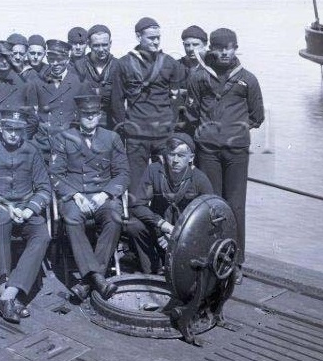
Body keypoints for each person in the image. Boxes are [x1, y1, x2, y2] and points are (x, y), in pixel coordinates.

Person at [185, 28, 264, 275]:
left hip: (237, 151)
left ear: (236, 48)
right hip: (207, 150)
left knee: (236, 205)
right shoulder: (198, 77)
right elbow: (192, 112)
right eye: (219, 48)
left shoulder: (248, 79)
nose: (224, 53)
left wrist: (234, 131)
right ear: (211, 50)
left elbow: (257, 116)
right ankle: (212, 255)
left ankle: (236, 260)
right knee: (212, 204)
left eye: (229, 47)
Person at [0, 108, 52, 323]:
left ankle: (7, 296)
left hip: (26, 208)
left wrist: (29, 209)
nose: (13, 134)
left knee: (42, 235)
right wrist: (3, 207)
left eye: (18, 130)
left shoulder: (32, 151)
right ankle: (5, 287)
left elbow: (45, 188)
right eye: (9, 129)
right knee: (2, 218)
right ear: (0, 128)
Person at [51, 95, 129, 300]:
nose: (90, 118)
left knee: (114, 217)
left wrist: (105, 194)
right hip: (76, 196)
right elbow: (56, 174)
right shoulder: (64, 138)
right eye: (86, 114)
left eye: (94, 114)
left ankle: (88, 280)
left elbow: (123, 173)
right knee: (72, 218)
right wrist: (75, 195)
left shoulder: (112, 138)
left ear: (100, 115)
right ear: (78, 115)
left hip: (103, 195)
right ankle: (98, 278)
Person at [111, 17, 186, 191]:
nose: (156, 41)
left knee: (166, 182)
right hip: (136, 135)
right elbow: (117, 100)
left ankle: (162, 217)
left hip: (163, 135)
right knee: (137, 183)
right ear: (138, 37)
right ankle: (137, 216)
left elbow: (176, 100)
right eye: (151, 38)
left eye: (158, 37)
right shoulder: (123, 64)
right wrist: (125, 126)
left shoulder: (169, 63)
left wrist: (170, 123)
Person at [127, 133, 213, 275]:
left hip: (187, 235)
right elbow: (137, 205)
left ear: (191, 158)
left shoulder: (200, 180)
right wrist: (163, 225)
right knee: (134, 225)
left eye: (181, 156)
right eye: (171, 155)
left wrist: (177, 233)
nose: (175, 160)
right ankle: (152, 270)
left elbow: (208, 218)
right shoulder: (154, 171)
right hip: (159, 229)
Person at [31, 39, 86, 161]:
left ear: (67, 59)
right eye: (51, 60)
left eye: (59, 60)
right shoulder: (38, 82)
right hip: (43, 145)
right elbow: (31, 118)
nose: (55, 64)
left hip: (68, 145)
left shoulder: (79, 83)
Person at [73, 25, 120, 128]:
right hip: (85, 122)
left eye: (105, 45)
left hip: (111, 123)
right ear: (89, 44)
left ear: (110, 44)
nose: (101, 49)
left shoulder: (118, 66)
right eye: (96, 45)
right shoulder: (79, 66)